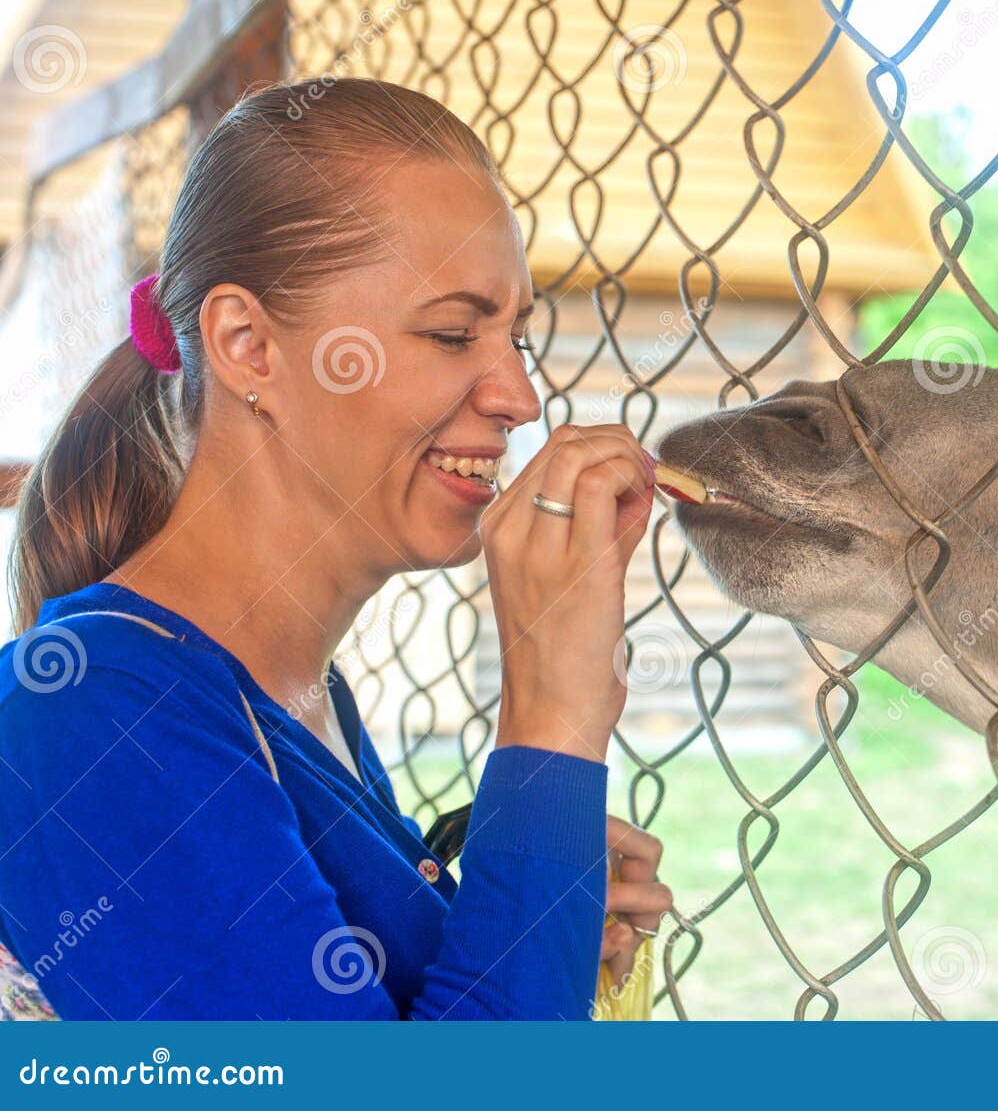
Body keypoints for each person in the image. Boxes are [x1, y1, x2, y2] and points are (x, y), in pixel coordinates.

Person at [0, 77, 671, 1019]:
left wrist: (542, 885)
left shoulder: (303, 705)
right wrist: (552, 715)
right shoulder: (88, 718)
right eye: (451, 332)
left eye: (515, 335)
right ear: (248, 345)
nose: (519, 396)